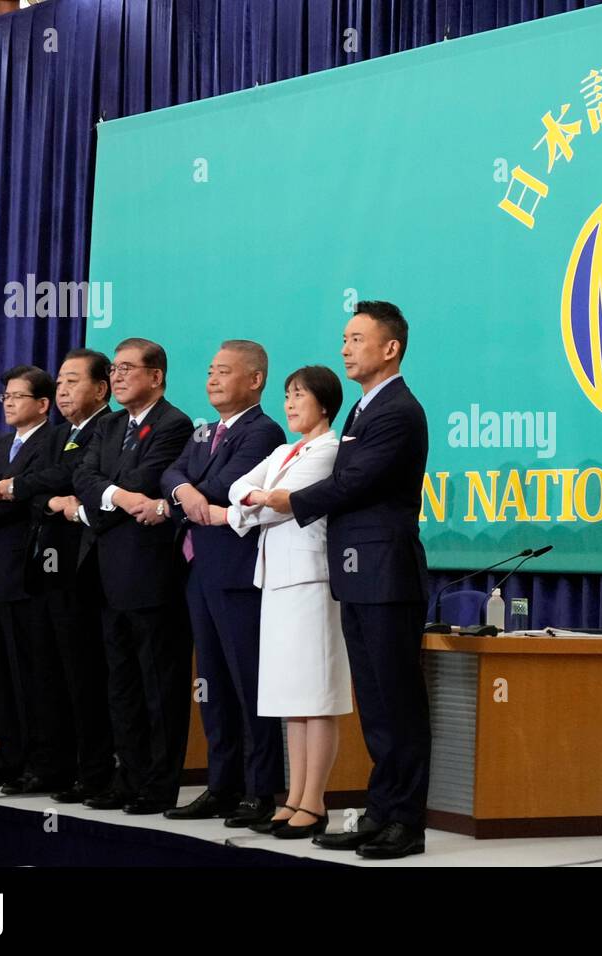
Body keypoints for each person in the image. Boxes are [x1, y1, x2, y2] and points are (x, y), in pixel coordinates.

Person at [267, 301, 431, 860]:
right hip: (358, 573)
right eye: (343, 338)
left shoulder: (398, 410)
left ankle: (405, 824)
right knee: (378, 704)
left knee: (398, 702)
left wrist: (291, 500)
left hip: (386, 573)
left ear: (390, 348)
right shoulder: (365, 409)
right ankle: (381, 812)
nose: (345, 349)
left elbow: (356, 483)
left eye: (357, 338)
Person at [160, 341, 286, 828]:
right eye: (210, 371)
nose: (212, 379)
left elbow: (227, 486)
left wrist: (190, 488)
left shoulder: (264, 431)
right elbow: (174, 472)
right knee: (211, 685)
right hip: (199, 572)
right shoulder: (204, 430)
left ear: (254, 380)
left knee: (247, 684)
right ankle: (221, 785)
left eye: (224, 372)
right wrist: (184, 489)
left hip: (236, 576)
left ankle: (259, 791)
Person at [223, 365, 347, 839]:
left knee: (316, 696)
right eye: (288, 395)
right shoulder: (280, 450)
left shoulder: (330, 450)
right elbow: (239, 488)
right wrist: (258, 500)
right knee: (290, 698)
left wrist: (256, 502)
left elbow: (286, 501)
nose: (291, 403)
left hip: (311, 580)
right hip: (274, 580)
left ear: (325, 405)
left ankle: (315, 802)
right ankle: (294, 796)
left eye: (300, 395)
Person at [72, 338, 194, 815]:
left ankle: (159, 784)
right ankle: (130, 776)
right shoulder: (108, 425)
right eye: (114, 369)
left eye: (127, 369)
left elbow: (147, 479)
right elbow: (84, 476)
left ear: (156, 376)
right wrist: (119, 498)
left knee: (158, 685)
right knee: (120, 684)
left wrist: (110, 492)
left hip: (153, 576)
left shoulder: (175, 424)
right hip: (106, 573)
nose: (117, 376)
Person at [3, 348, 115, 803]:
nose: (63, 390)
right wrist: (51, 501)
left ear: (101, 388)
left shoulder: (108, 429)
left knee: (84, 676)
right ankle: (51, 765)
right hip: (46, 570)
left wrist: (36, 489)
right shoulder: (59, 434)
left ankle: (93, 773)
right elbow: (35, 488)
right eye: (60, 382)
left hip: (86, 571)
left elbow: (68, 475)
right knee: (47, 674)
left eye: (73, 381)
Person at [0, 365, 59, 793]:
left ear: (42, 403)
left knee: (32, 672)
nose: (8, 402)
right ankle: (7, 755)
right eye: (5, 396)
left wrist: (0, 494)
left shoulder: (54, 440)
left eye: (17, 396)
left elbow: (37, 494)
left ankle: (41, 762)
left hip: (29, 570)